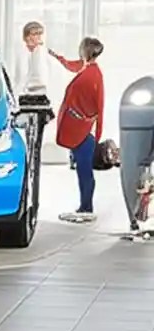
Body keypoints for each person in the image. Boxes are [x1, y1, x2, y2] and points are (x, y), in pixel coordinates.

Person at [52, 37, 105, 223]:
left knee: (84, 170)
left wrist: (97, 134)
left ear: (85, 51)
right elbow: (73, 66)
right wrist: (58, 58)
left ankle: (86, 207)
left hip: (81, 129)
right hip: (80, 127)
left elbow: (99, 106)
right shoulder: (88, 70)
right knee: (83, 169)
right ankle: (85, 205)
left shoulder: (92, 75)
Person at [11, 21, 50, 96]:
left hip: (40, 93)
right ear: (27, 37)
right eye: (35, 34)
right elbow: (18, 77)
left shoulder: (44, 53)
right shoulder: (19, 53)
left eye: (40, 33)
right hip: (21, 93)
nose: (39, 36)